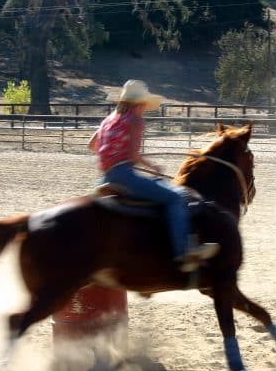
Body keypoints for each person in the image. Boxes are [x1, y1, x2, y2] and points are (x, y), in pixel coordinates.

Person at [88, 79, 219, 271]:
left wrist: (114, 155)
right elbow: (133, 155)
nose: (144, 109)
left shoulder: (109, 119)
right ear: (140, 104)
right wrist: (152, 165)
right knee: (175, 198)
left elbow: (92, 145)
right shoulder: (135, 120)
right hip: (124, 176)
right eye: (144, 105)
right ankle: (184, 251)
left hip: (106, 177)